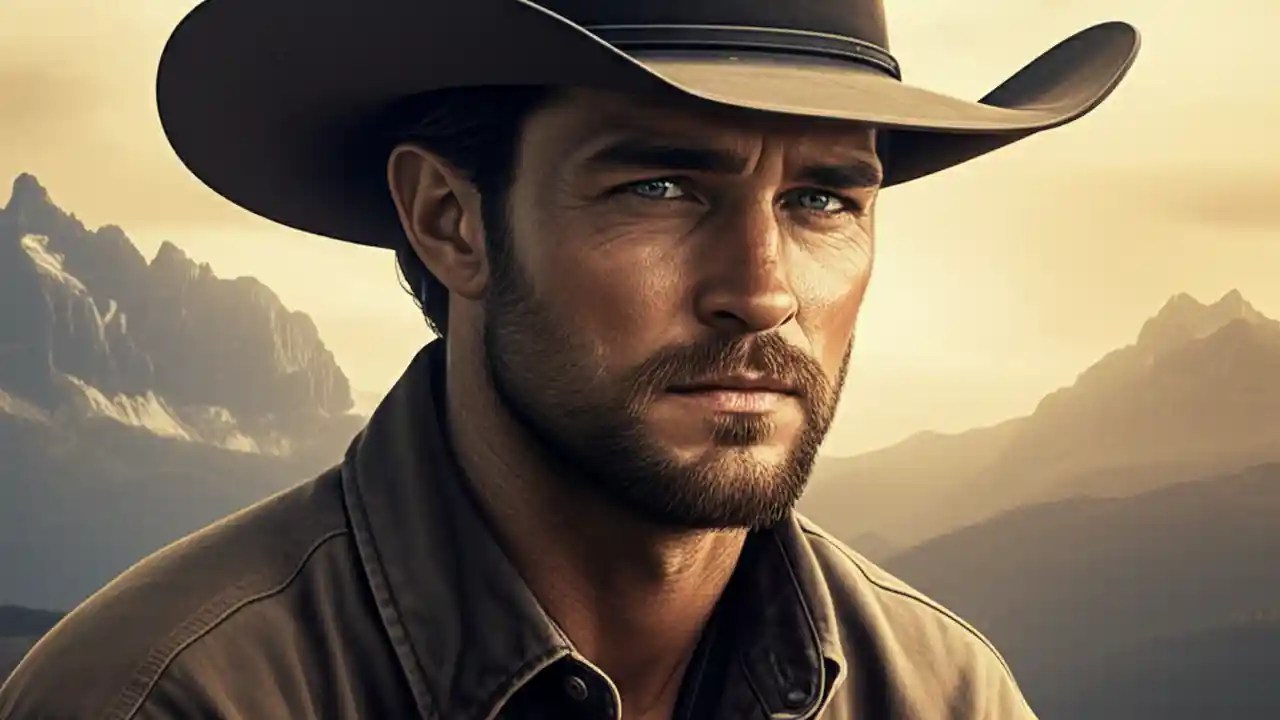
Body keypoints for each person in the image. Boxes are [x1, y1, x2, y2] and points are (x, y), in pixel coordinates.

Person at [0, 0, 1140, 717]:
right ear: (449, 220)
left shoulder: (942, 694)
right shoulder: (171, 699)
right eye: (660, 186)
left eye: (822, 199)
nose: (760, 290)